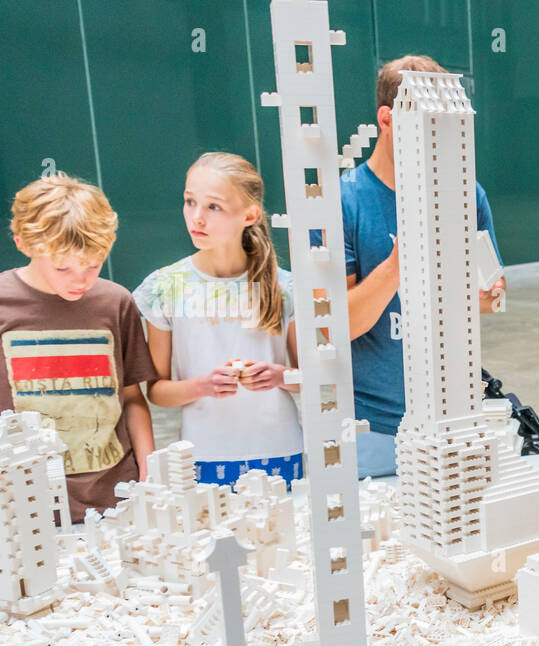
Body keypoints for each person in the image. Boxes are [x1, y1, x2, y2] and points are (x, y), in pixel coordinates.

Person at [341, 55, 505, 478]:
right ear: (388, 119)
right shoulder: (345, 200)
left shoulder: (467, 193)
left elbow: (488, 301)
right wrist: (401, 264)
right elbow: (341, 324)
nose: (441, 140)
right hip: (374, 428)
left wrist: (488, 293)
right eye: (430, 126)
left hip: (453, 418)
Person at [133, 153, 301, 487]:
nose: (196, 218)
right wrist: (203, 386)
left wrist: (280, 376)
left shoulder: (285, 287)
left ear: (249, 215)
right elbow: (157, 392)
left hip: (280, 450)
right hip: (203, 457)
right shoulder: (165, 286)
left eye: (213, 207)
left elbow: (316, 380)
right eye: (189, 201)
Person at [1, 174, 155, 522]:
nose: (80, 280)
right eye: (62, 267)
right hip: (24, 511)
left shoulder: (115, 301)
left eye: (93, 265)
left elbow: (131, 398)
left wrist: (150, 475)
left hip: (116, 499)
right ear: (23, 244)